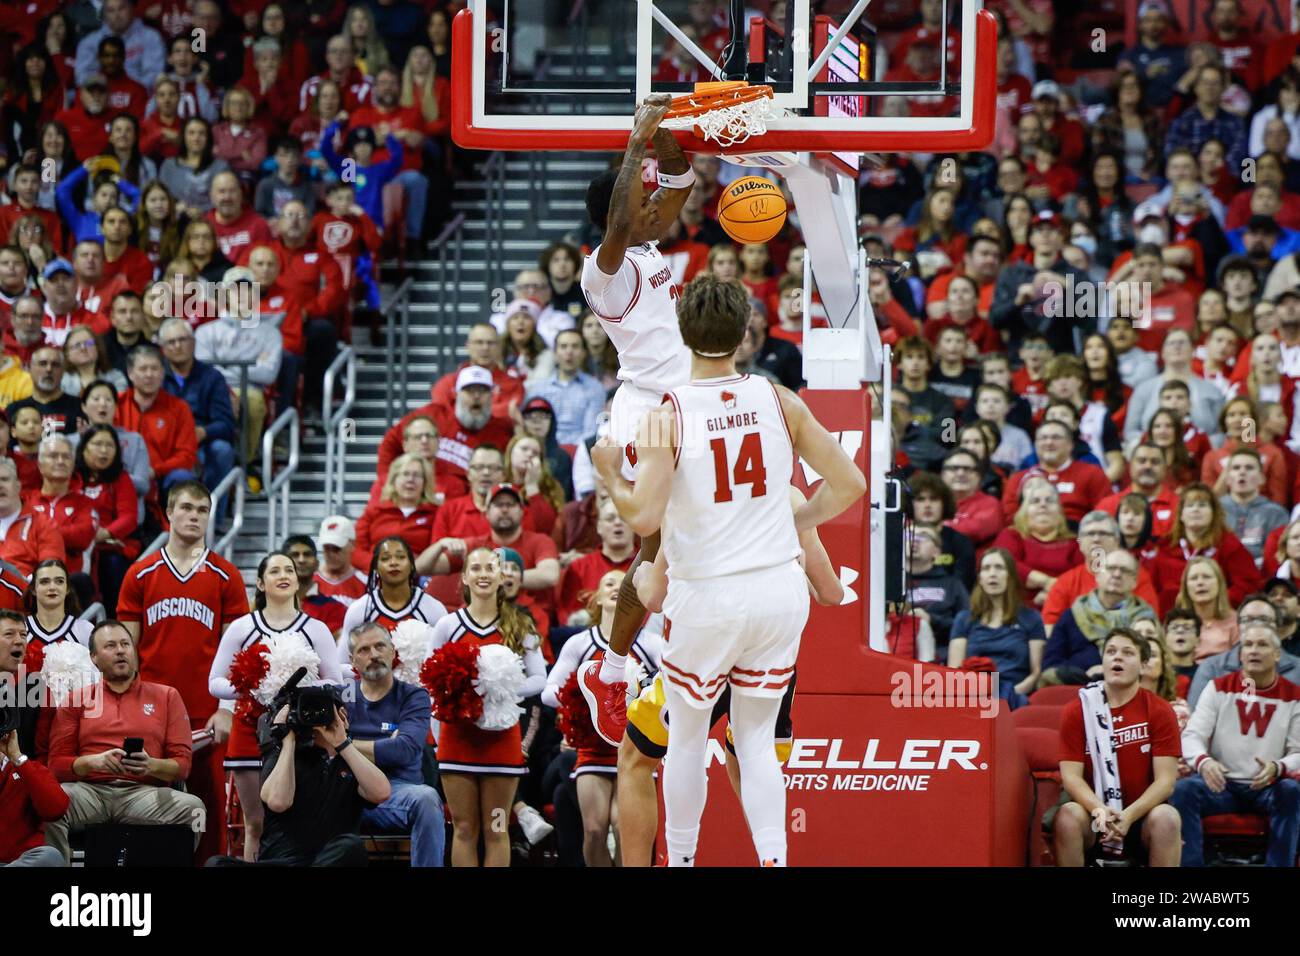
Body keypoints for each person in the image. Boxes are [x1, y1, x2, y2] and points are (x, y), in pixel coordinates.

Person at [591, 272, 866, 866]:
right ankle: (773, 862)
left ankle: (684, 862)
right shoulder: (780, 399)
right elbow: (851, 483)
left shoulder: (668, 411)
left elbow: (643, 519)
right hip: (778, 593)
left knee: (687, 740)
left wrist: (611, 474)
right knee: (758, 743)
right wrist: (796, 523)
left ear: (680, 333)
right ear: (746, 333)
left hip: (709, 598)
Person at [574, 94, 696, 745]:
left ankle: (635, 664)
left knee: (673, 553)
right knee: (655, 549)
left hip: (682, 408)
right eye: (639, 202)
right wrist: (635, 144)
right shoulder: (604, 269)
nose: (655, 209)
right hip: (644, 412)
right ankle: (612, 667)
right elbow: (625, 218)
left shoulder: (648, 249)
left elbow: (681, 182)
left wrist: (666, 134)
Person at [116, 480, 250, 863]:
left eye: (202, 510)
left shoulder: (226, 576)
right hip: (151, 710)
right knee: (145, 797)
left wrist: (226, 707)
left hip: (205, 710)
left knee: (208, 802)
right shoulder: (140, 574)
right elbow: (126, 650)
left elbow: (236, 652)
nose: (194, 516)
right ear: (168, 513)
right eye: (186, 508)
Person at [208, 552, 341, 861]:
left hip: (300, 732)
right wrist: (254, 685)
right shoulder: (242, 628)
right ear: (260, 583)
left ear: (297, 581)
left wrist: (296, 689)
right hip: (249, 729)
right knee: (255, 823)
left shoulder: (316, 629)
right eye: (275, 571)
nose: (284, 575)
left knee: (299, 821)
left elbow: (335, 680)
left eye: (289, 570)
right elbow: (214, 682)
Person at [44, 619, 206, 863]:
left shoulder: (167, 696)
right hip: (89, 791)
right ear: (94, 658)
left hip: (143, 793)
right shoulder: (76, 699)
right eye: (110, 646)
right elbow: (56, 765)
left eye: (125, 644)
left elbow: (183, 765)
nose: (120, 650)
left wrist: (151, 765)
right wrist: (93, 762)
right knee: (48, 802)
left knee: (195, 810)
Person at [427, 546, 546, 866]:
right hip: (457, 739)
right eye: (475, 568)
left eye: (490, 568)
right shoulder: (447, 626)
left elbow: (540, 678)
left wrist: (499, 688)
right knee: (464, 828)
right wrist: (438, 731)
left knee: (497, 828)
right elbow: (431, 681)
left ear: (500, 576)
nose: (483, 574)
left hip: (501, 739)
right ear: (464, 576)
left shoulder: (520, 625)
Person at [543, 571, 662, 866]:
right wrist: (583, 700)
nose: (616, 588)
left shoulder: (651, 643)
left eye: (624, 583)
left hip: (633, 745)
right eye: (608, 583)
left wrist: (639, 693)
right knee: (595, 830)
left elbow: (668, 684)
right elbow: (549, 692)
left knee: (624, 828)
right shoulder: (579, 643)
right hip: (593, 745)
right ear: (596, 597)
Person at [1171, 624, 1300, 867]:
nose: (1253, 650)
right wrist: (1204, 761)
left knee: (1292, 791)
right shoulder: (1218, 687)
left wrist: (1277, 767)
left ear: (1277, 654)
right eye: (1247, 645)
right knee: (1184, 790)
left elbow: (1298, 752)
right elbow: (1191, 736)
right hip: (1222, 785)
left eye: (1262, 645)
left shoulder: (1294, 696)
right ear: (1239, 654)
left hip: (1267, 786)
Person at [1053, 629, 1183, 866]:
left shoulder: (1160, 710)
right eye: (1111, 652)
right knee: (1067, 816)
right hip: (1093, 816)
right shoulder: (1078, 710)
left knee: (1168, 817)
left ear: (1143, 666)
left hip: (1141, 816)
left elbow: (1166, 782)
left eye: (1127, 653)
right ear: (1102, 661)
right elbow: (1071, 778)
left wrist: (1128, 816)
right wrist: (1100, 810)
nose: (1117, 658)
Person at [344, 622, 446, 867]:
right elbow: (322, 748)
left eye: (380, 646)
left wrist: (344, 745)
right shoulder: (344, 694)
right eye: (364, 650)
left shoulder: (413, 695)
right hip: (348, 792)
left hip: (397, 793)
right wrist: (381, 747)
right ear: (353, 661)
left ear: (393, 651)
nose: (374, 655)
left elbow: (404, 750)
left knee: (427, 798)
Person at [1042, 549, 1157, 685]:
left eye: (1125, 570)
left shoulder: (1145, 618)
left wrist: (1110, 672)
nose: (1117, 574)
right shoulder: (1072, 615)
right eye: (1110, 568)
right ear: (1097, 575)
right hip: (1075, 688)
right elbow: (1051, 665)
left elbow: (1152, 663)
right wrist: (1085, 674)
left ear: (1134, 582)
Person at [1041, 511, 1160, 633]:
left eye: (1103, 533)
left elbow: (1149, 623)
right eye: (1090, 534)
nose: (1096, 539)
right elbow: (1050, 627)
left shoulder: (1136, 576)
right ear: (1080, 543)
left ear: (1117, 541)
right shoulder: (1065, 582)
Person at [948, 548, 1045, 694]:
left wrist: (1009, 695)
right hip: (974, 695)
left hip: (1015, 695)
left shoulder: (1031, 618)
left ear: (1010, 576)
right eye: (986, 568)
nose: (992, 574)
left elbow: (1036, 673)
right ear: (980, 578)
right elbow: (954, 672)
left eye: (999, 568)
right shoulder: (964, 618)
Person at [158, 318, 236, 494]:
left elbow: (225, 423)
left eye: (183, 339)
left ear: (193, 343)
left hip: (202, 439)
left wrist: (203, 432)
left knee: (222, 450)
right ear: (163, 349)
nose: (178, 346)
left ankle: (214, 515)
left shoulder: (212, 377)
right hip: (167, 440)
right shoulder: (156, 376)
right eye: (171, 342)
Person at [72, 423, 138, 615]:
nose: (104, 451)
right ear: (84, 448)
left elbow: (129, 517)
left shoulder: (121, 478)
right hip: (75, 543)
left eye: (110, 446)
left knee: (113, 564)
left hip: (108, 545)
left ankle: (111, 616)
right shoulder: (72, 476)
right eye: (97, 444)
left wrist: (105, 533)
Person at [114, 343, 198, 494]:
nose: (149, 374)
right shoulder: (115, 404)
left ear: (163, 372)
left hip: (163, 476)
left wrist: (155, 470)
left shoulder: (179, 408)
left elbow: (186, 455)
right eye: (143, 369)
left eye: (154, 368)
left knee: (183, 478)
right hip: (123, 476)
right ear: (130, 373)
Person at [0, 694, 69, 867]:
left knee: (50, 857)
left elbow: (56, 810)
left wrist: (17, 758)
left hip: (19, 862)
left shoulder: (28, 769)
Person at [340, 536, 447, 637]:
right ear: (375, 567)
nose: (393, 563)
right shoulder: (359, 610)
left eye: (401, 557)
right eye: (385, 558)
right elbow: (344, 656)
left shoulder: (434, 609)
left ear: (412, 565)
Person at [353, 452, 441, 573]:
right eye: (405, 474)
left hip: (418, 575)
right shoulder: (374, 510)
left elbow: (437, 551)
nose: (410, 480)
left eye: (417, 475)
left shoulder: (435, 513)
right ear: (394, 480)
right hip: (375, 574)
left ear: (425, 482)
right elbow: (356, 550)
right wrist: (380, 567)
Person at [527, 330, 608, 449]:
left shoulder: (595, 388)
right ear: (555, 353)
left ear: (583, 353)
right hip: (544, 451)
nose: (569, 352)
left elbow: (591, 432)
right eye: (563, 346)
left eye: (575, 346)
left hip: (581, 452)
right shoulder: (539, 389)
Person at [558, 503, 636, 626]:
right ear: (598, 527)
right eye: (610, 519)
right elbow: (567, 615)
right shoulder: (578, 567)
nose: (617, 523)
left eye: (623, 518)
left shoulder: (647, 566)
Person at [0, 458, 65, 577]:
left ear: (18, 486)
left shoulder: (44, 524)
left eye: (5, 479)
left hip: (26, 591)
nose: (0, 485)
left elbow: (52, 574)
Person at [281, 535, 348, 637]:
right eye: (295, 555)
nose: (301, 560)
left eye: (307, 554)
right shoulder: (269, 604)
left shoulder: (335, 609)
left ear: (316, 563)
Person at [314, 516, 367, 605]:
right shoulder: (309, 582)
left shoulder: (366, 583)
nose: (331, 554)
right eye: (327, 548)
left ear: (352, 544)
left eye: (336, 548)